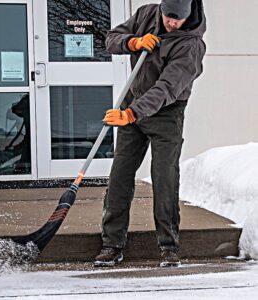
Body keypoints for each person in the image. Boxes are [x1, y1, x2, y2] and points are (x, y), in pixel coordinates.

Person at [94, 0, 206, 267]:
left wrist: (132, 113)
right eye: (168, 16)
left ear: (189, 15)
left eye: (176, 19)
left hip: (166, 113)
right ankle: (112, 244)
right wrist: (132, 42)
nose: (171, 23)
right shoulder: (146, 13)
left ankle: (168, 246)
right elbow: (112, 38)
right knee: (120, 174)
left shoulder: (191, 45)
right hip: (133, 102)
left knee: (164, 178)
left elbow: (166, 88)